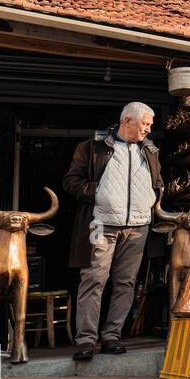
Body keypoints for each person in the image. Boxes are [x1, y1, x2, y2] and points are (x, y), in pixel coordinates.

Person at [63, 101, 162, 361]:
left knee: (126, 283)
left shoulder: (150, 150)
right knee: (94, 279)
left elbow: (158, 183)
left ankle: (112, 336)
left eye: (150, 125)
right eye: (145, 124)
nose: (148, 130)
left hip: (138, 227)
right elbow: (71, 181)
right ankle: (86, 340)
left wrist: (154, 196)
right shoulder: (93, 147)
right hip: (101, 224)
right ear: (127, 120)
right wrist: (97, 191)